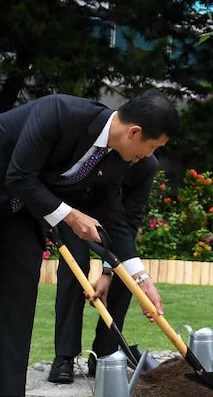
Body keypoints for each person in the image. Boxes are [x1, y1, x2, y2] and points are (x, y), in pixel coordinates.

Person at [0, 89, 178, 397]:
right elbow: (19, 175)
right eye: (153, 147)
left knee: (19, 294)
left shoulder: (116, 157)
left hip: (20, 204)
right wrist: (71, 217)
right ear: (134, 132)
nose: (150, 156)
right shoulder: (60, 112)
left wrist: (140, 278)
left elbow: (114, 222)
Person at [47, 153, 162, 383]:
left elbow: (129, 221)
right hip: (75, 212)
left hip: (114, 221)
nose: (144, 154)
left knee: (126, 273)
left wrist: (109, 272)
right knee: (75, 265)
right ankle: (65, 357)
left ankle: (104, 354)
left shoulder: (147, 166)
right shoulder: (102, 150)